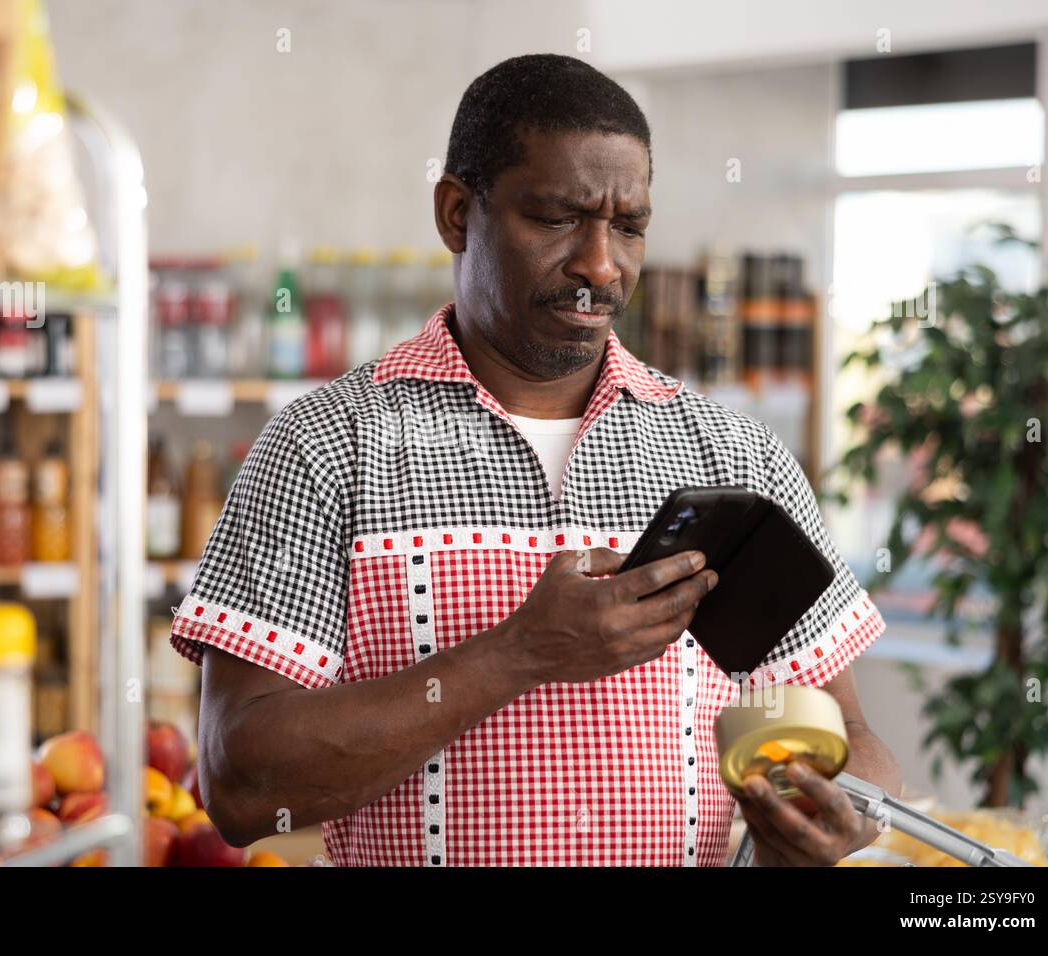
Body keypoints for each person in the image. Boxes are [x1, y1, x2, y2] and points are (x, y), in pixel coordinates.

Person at [171, 53, 900, 866]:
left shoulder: (734, 453)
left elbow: (858, 741)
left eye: (629, 226)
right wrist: (518, 654)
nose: (600, 264)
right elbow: (239, 784)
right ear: (456, 213)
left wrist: (845, 818)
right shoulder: (325, 447)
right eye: (557, 218)